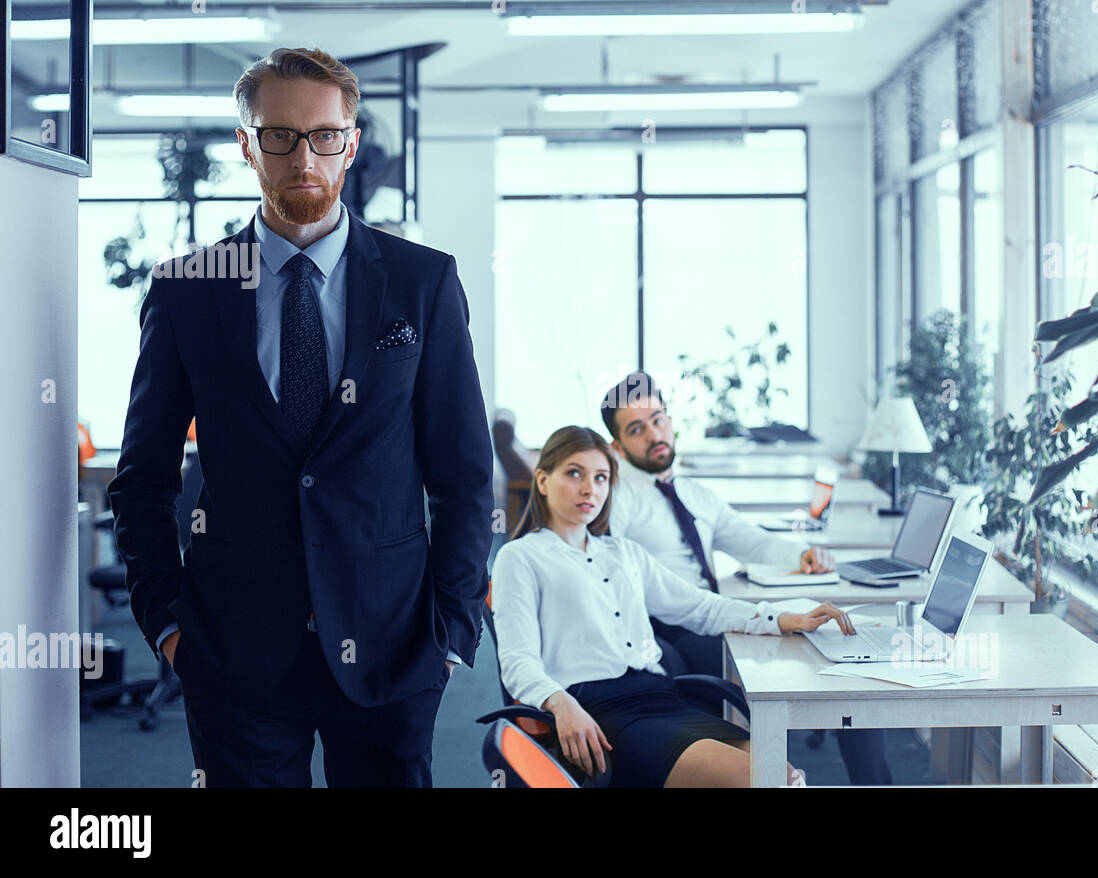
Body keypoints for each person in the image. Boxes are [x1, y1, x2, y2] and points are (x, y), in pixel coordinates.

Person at [107, 47, 494, 787]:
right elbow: (143, 478)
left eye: (323, 136)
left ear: (350, 144)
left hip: (393, 644)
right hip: (234, 648)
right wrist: (168, 624)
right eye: (278, 135)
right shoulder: (189, 289)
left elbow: (464, 474)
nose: (302, 157)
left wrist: (449, 634)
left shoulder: (423, 283)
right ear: (248, 146)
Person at [491, 426, 856, 787]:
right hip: (600, 712)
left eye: (601, 477)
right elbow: (517, 662)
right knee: (767, 781)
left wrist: (781, 618)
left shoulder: (623, 553)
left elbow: (699, 607)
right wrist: (560, 702)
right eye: (575, 473)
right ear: (542, 480)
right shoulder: (520, 557)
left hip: (660, 695)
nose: (590, 488)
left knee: (788, 777)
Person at [599, 371, 895, 785]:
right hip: (677, 630)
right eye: (637, 429)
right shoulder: (617, 499)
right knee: (819, 665)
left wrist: (802, 553)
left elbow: (750, 541)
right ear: (617, 446)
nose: (654, 434)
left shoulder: (691, 491)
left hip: (719, 615)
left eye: (658, 419)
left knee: (847, 664)